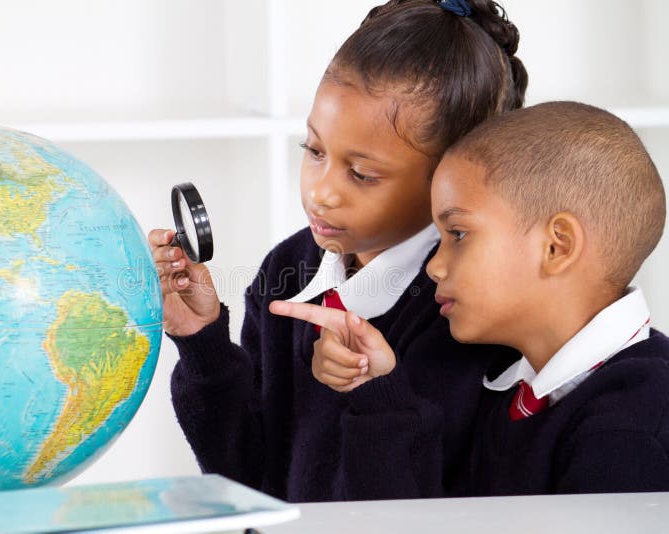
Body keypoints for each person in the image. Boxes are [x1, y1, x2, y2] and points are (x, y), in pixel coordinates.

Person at [149, 0, 526, 501]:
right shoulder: (286, 269)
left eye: (362, 174)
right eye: (314, 151)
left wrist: (375, 392)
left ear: (450, 177)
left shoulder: (467, 308)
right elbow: (244, 477)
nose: (320, 192)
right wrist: (203, 342)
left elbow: (423, 509)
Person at [272, 101, 669, 495]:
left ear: (556, 247)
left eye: (458, 234)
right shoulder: (507, 391)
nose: (434, 267)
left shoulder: (632, 426)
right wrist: (380, 393)